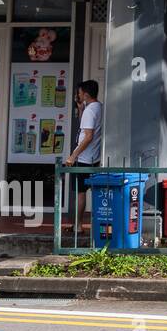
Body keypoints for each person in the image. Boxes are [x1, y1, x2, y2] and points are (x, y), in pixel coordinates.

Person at [64, 80, 103, 235]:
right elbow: (86, 127)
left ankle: (78, 226)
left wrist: (73, 156)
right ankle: (88, 225)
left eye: (79, 93)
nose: (78, 95)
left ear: (85, 94)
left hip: (84, 158)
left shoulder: (90, 110)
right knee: (92, 191)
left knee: (80, 193)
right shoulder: (98, 107)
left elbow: (87, 136)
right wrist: (81, 110)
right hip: (94, 156)